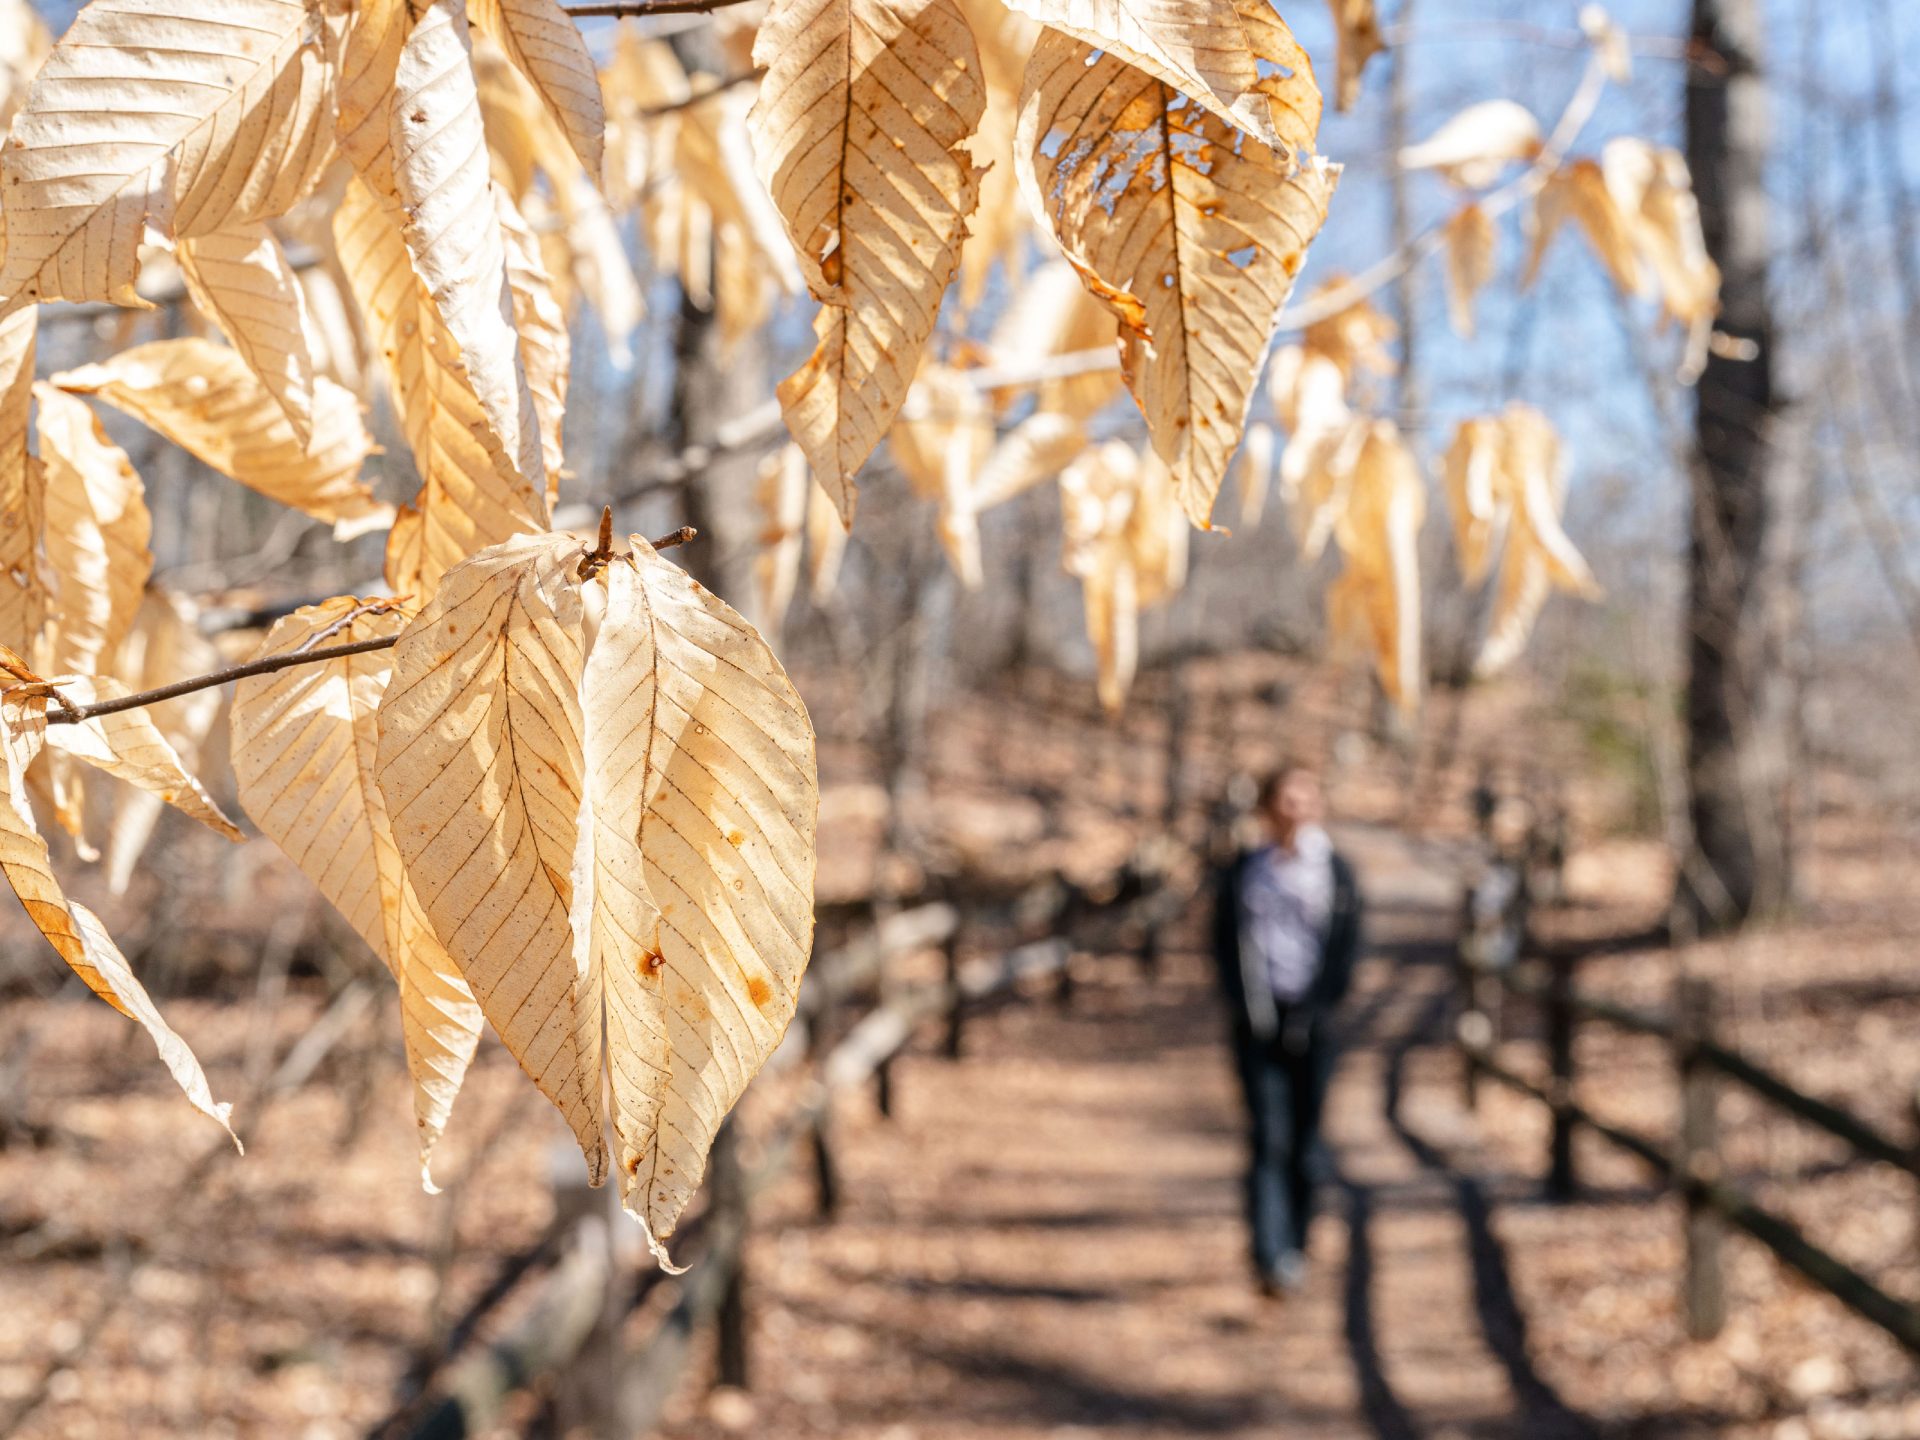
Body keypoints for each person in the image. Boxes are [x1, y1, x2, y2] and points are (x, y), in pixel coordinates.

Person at [1210, 761, 1362, 1297]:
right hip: (1257, 1024)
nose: (1295, 807)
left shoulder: (1335, 871)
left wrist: (1320, 1008)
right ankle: (1269, 1251)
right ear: (1268, 806)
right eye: (1286, 797)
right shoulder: (1246, 869)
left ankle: (1297, 1242)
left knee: (1306, 1139)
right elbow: (1224, 942)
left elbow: (1347, 950)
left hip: (1315, 1025)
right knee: (1267, 1136)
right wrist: (1244, 1005)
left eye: (1305, 796)